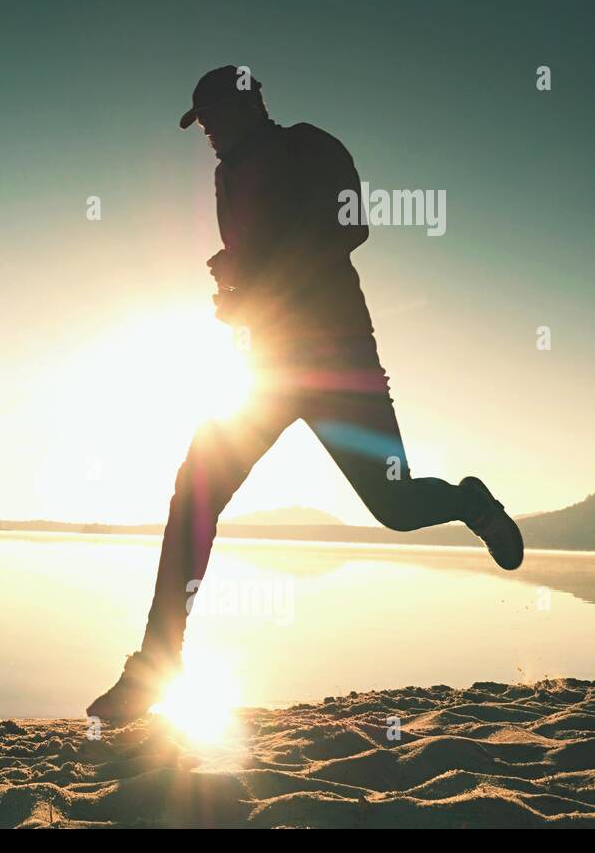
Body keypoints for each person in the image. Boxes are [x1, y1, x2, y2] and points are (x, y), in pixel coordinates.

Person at [86, 66, 524, 723]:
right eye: (199, 121)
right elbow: (260, 266)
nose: (206, 130)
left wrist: (251, 269)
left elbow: (346, 228)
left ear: (251, 102)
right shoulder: (223, 176)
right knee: (196, 488)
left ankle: (470, 501)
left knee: (396, 506)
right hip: (266, 364)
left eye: (213, 115)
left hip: (338, 360)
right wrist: (234, 299)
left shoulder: (309, 146)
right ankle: (156, 666)